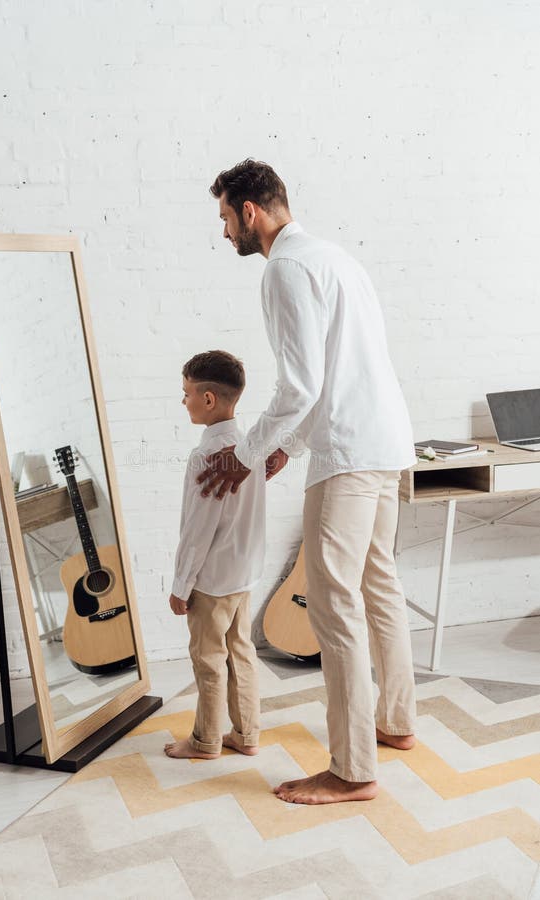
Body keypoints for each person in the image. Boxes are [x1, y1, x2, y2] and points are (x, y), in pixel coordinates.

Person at [198, 159, 417, 804]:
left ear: (252, 211)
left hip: (348, 450)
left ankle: (352, 770)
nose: (226, 233)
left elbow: (302, 384)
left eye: (225, 219)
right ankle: (397, 724)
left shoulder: (284, 268)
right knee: (379, 582)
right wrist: (289, 446)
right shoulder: (335, 257)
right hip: (385, 440)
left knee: (331, 603)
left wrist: (250, 451)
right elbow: (337, 368)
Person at [165, 350, 265, 760]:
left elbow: (196, 530)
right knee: (241, 651)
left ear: (208, 399)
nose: (183, 400)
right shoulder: (251, 446)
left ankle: (206, 741)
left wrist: (180, 585)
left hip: (211, 578)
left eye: (187, 392)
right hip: (244, 572)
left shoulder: (207, 456)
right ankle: (247, 734)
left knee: (208, 659)